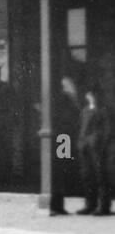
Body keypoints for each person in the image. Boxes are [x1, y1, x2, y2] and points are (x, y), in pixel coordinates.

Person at [76, 81, 113, 216]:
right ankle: (90, 205)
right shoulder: (85, 111)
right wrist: (81, 142)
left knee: (101, 177)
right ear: (87, 96)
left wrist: (100, 144)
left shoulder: (104, 110)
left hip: (98, 149)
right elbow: (81, 127)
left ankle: (104, 207)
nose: (92, 97)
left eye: (94, 94)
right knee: (87, 177)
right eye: (90, 94)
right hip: (85, 148)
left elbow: (108, 131)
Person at [50, 75, 82, 215]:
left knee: (61, 168)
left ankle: (58, 203)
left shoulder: (63, 99)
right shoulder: (66, 99)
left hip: (63, 136)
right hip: (63, 137)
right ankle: (57, 204)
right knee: (61, 168)